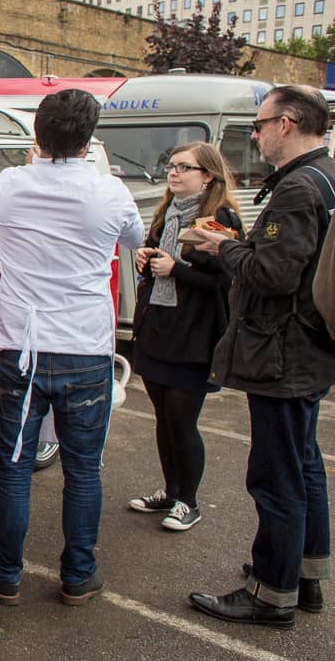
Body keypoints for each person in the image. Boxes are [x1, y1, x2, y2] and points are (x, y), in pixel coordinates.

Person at [0, 89, 143, 607]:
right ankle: (79, 574)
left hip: (24, 343)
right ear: (89, 139)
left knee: (15, 463)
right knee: (83, 468)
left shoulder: (9, 185)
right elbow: (133, 239)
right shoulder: (110, 192)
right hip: (85, 345)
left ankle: (3, 571)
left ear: (37, 135)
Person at [187, 84, 335, 629]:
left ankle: (272, 594)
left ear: (287, 124)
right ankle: (304, 576)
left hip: (283, 352)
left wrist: (221, 246)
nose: (255, 135)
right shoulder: (326, 175)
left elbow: (272, 275)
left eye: (260, 124)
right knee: (304, 463)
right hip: (312, 347)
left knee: (276, 476)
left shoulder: (298, 187)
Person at [127, 142, 243, 532]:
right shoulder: (166, 213)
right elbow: (155, 260)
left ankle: (189, 502)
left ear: (207, 175)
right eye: (171, 166)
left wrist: (175, 269)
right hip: (158, 326)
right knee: (163, 418)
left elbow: (227, 280)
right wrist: (146, 259)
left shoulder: (220, 218)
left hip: (194, 335)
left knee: (182, 420)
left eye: (184, 167)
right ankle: (171, 491)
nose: (173, 173)